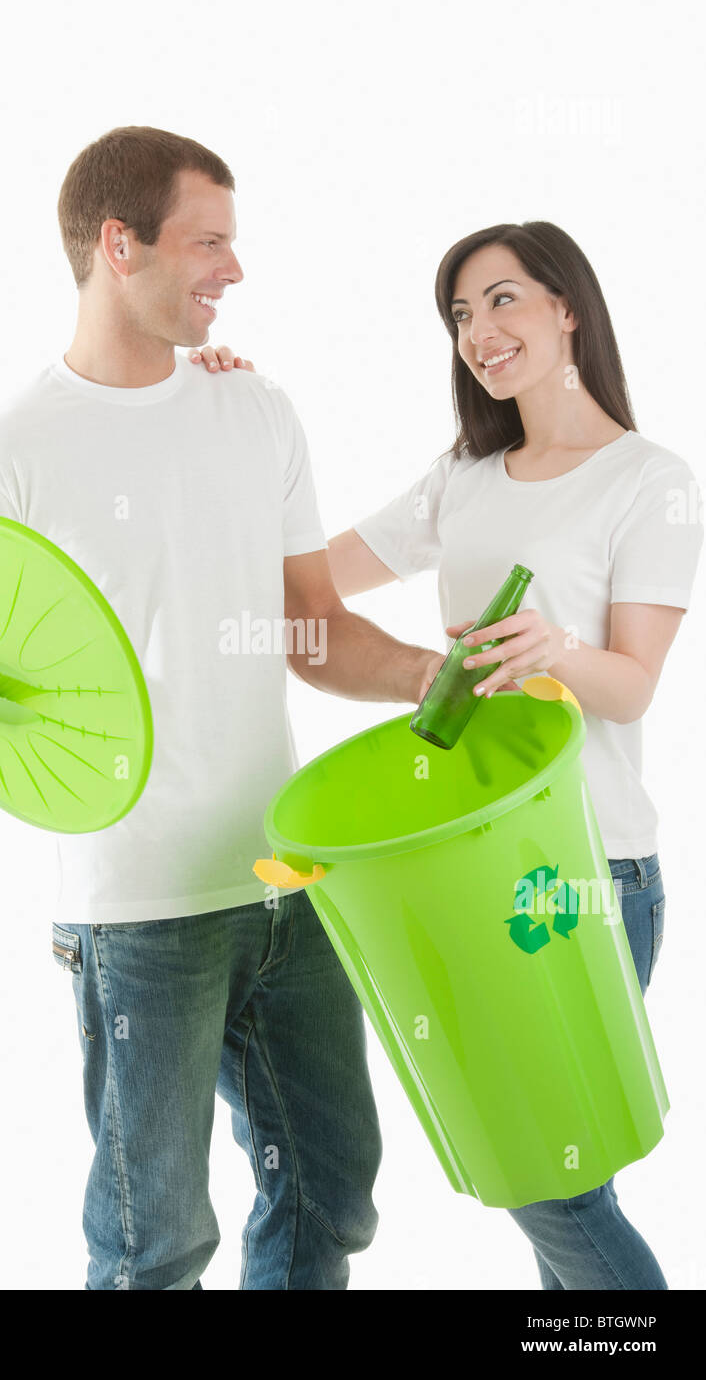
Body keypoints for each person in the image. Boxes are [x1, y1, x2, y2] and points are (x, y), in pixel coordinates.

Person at [0, 126, 457, 1291]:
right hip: (137, 911)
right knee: (155, 1244)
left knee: (331, 1187)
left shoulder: (257, 411)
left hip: (285, 881)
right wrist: (3, 710)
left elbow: (310, 629)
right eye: (208, 243)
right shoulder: (15, 445)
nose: (231, 271)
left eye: (231, 245)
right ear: (117, 243)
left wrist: (433, 677)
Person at [190, 220, 704, 1289]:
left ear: (568, 307)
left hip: (581, 864)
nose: (480, 332)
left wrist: (558, 650)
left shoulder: (646, 480)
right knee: (534, 1160)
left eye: (503, 300)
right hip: (462, 866)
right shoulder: (464, 476)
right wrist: (226, 417)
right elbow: (304, 578)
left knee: (545, 1175)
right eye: (461, 316)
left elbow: (635, 683)